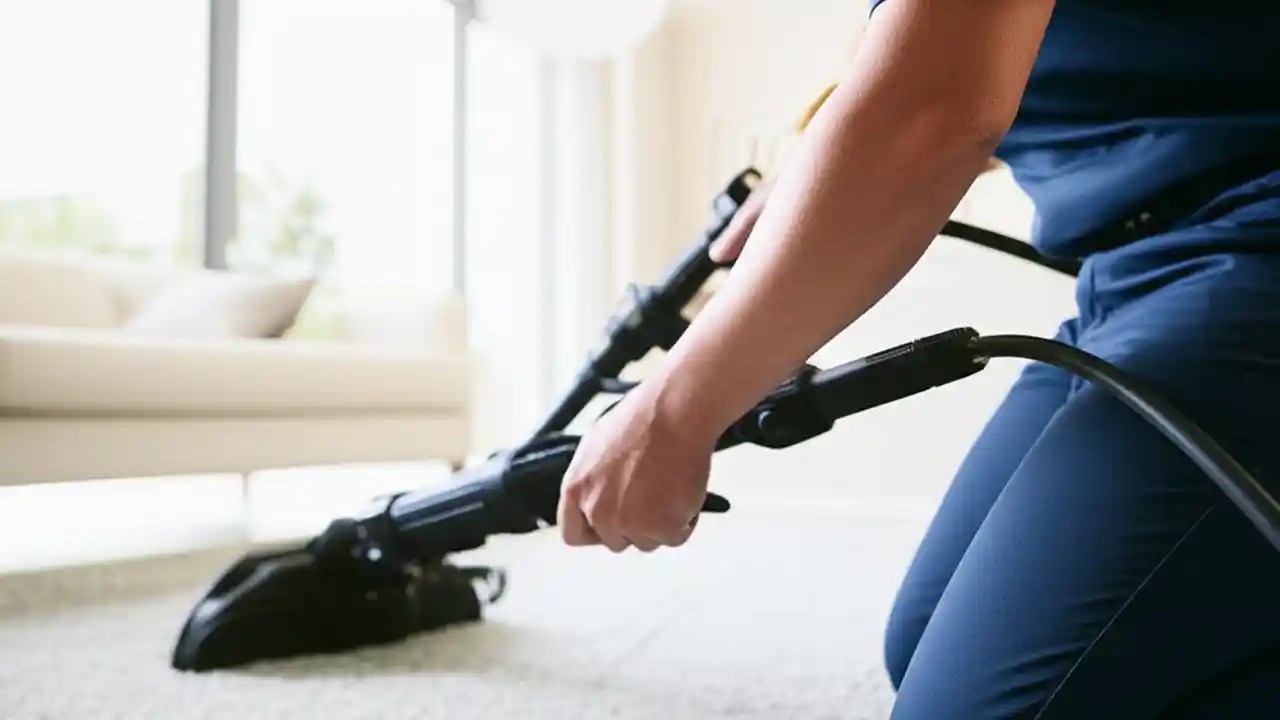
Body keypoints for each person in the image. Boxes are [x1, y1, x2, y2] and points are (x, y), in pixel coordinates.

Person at [556, 0, 1280, 716]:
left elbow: (933, 111)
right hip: (1139, 269)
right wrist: (823, 166)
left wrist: (675, 408)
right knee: (926, 643)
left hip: (1252, 259)